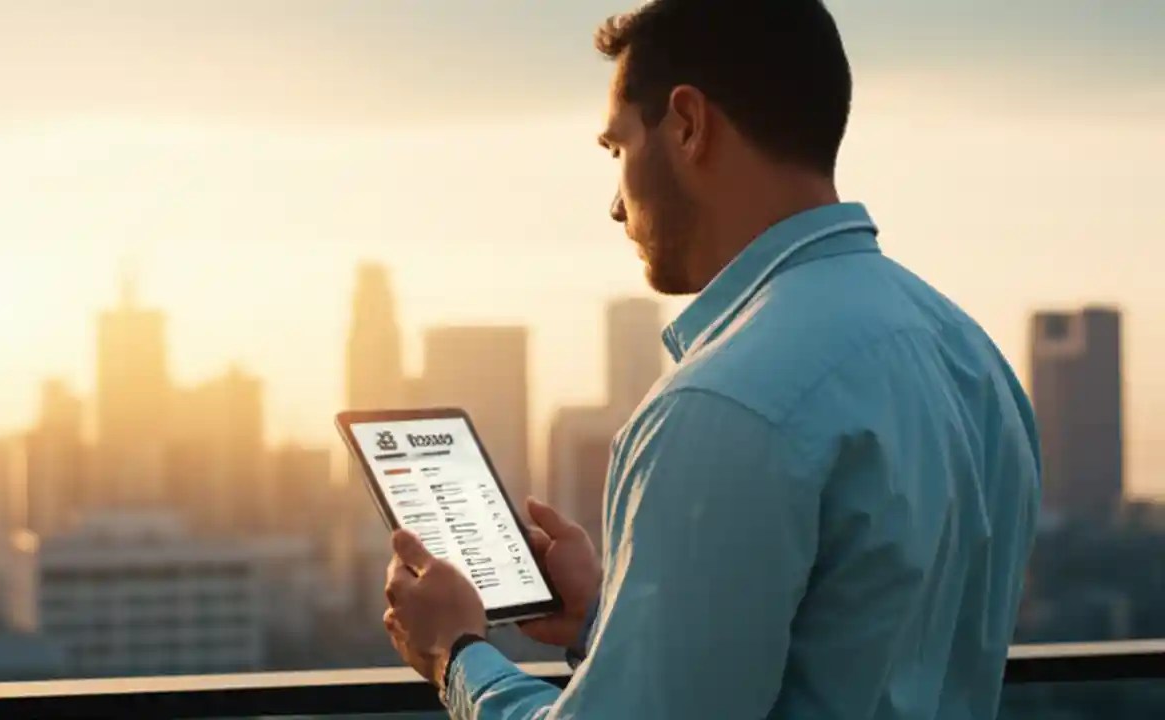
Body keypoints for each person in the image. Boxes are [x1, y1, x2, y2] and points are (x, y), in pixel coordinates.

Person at [381, 1, 1042, 717]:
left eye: (617, 148)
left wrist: (457, 656)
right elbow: (848, 654)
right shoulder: (973, 359)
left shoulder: (721, 402)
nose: (614, 203)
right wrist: (612, 617)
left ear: (688, 124)